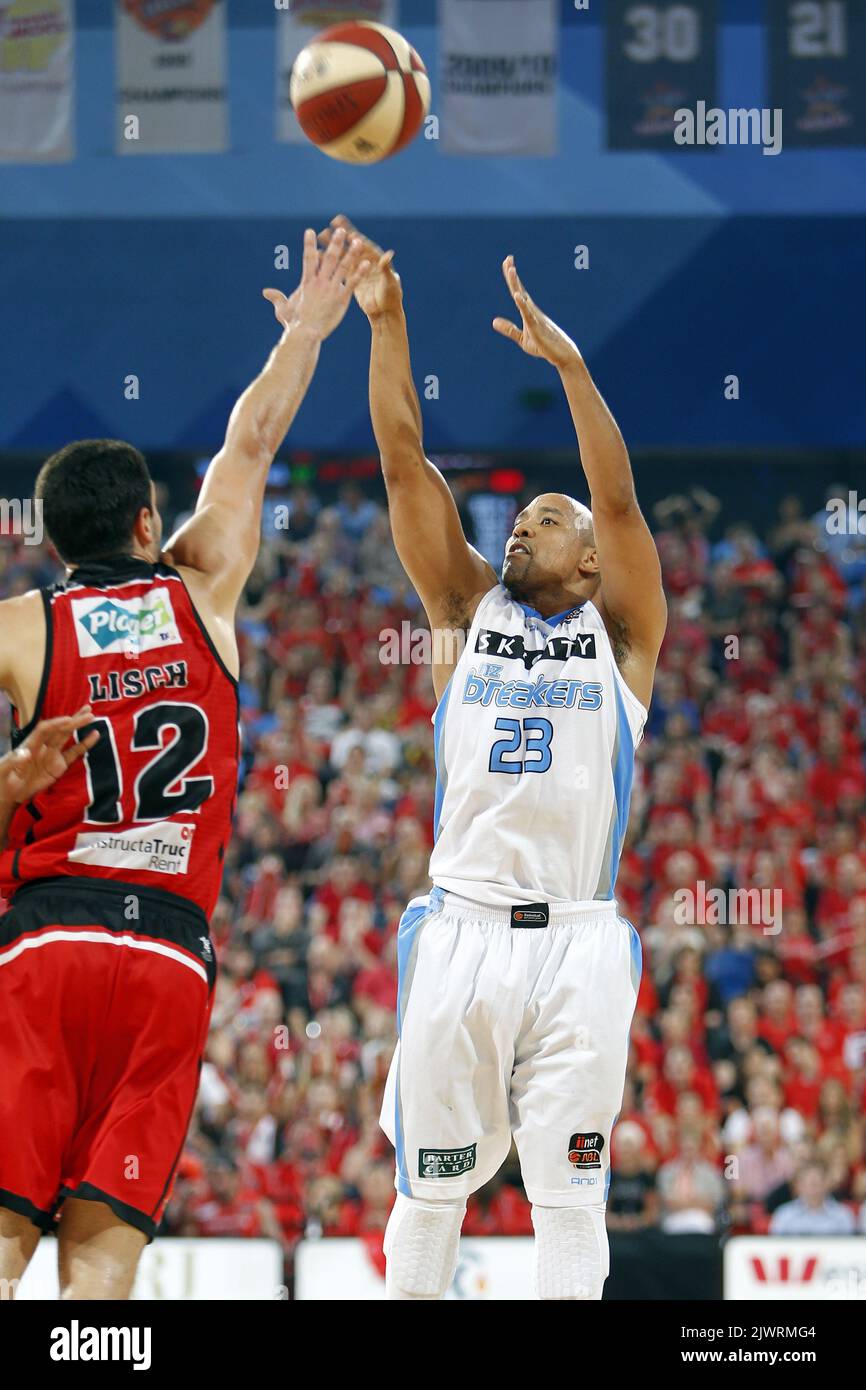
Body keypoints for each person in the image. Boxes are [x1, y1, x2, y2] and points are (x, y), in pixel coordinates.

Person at [0, 227, 368, 1299]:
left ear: (54, 539)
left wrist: (12, 783)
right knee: (103, 1259)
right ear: (149, 520)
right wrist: (304, 330)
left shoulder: (23, 629)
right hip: (166, 956)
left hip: (45, 943)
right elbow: (250, 444)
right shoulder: (204, 588)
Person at [322, 215, 667, 1300]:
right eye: (518, 515)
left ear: (589, 558)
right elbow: (398, 459)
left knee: (570, 1194)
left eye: (546, 520)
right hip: (461, 925)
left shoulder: (622, 639)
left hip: (576, 938)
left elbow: (614, 496)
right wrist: (388, 322)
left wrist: (569, 367)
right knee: (428, 1189)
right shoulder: (464, 607)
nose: (524, 525)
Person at [769, 1162, 856, 1236]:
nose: (814, 1188)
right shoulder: (784, 1215)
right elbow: (774, 1248)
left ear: (827, 1184)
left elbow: (851, 1249)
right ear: (798, 1185)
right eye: (810, 1183)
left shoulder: (842, 1215)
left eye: (817, 1182)